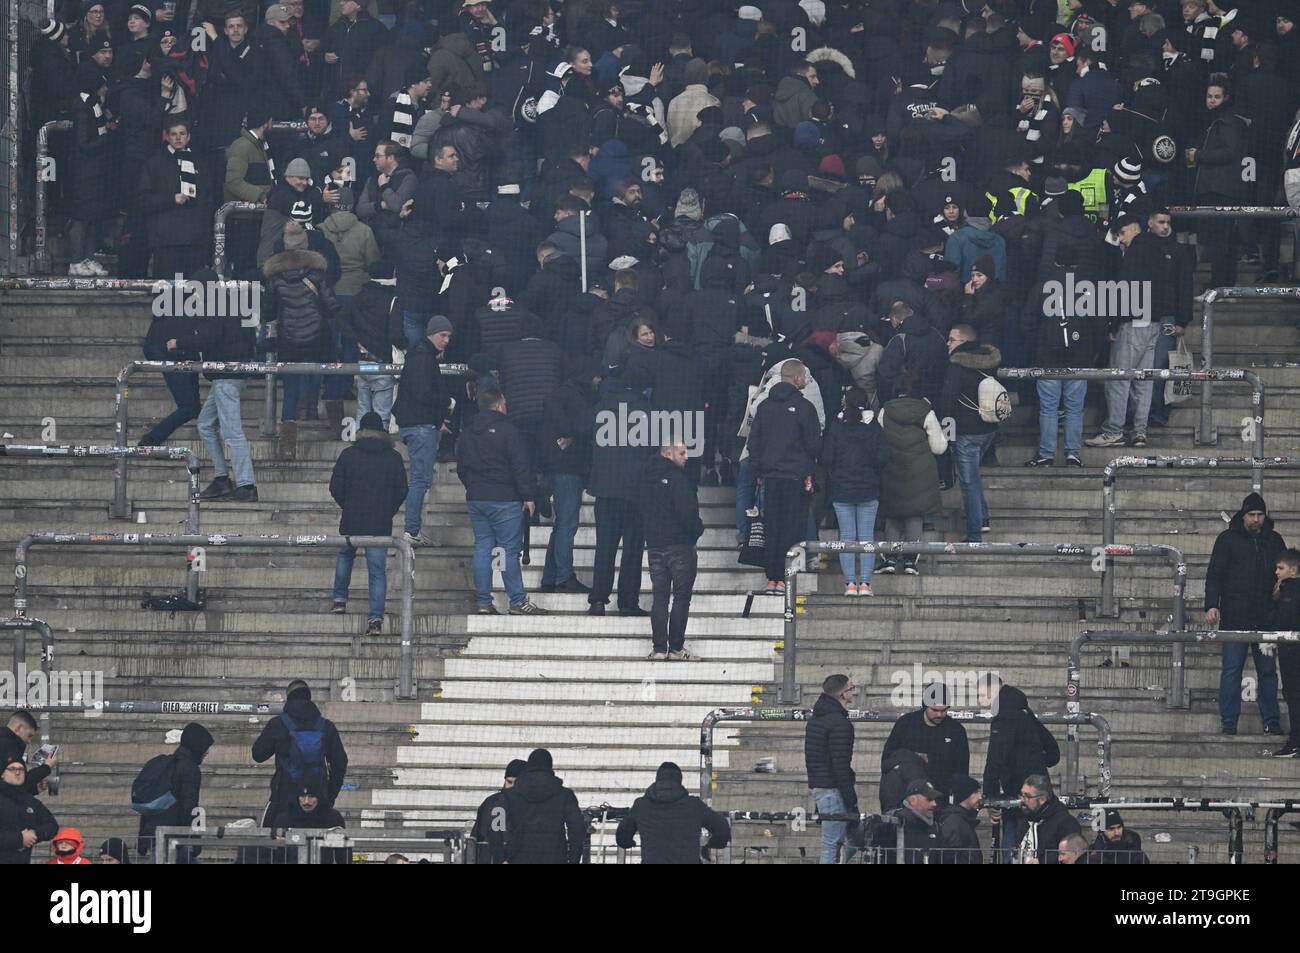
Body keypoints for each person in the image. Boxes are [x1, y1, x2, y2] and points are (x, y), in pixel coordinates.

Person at [458, 386, 547, 615]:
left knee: (483, 548)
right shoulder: (509, 430)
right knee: (507, 551)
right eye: (505, 404)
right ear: (498, 405)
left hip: (477, 498)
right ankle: (517, 601)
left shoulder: (468, 431)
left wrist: (474, 487)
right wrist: (528, 495)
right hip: (504, 499)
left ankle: (484, 602)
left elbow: (461, 467)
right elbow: (520, 465)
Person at [1206, 492, 1286, 735]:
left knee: (1268, 672)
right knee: (1231, 670)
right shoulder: (1227, 539)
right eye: (1251, 514)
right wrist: (1212, 604)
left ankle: (1272, 721)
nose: (1256, 519)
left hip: (1267, 618)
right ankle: (1229, 722)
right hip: (1234, 618)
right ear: (1243, 515)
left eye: (1260, 515)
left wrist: (1282, 587)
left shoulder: (1274, 540)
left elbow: (1285, 572)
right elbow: (1215, 575)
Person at [329, 411, 408, 634]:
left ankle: (339, 600)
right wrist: (387, 510)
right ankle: (375, 619)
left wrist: (348, 505)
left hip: (352, 518)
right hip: (379, 522)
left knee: (345, 556)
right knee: (377, 571)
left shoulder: (348, 455)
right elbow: (402, 490)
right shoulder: (393, 457)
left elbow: (335, 487)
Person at [263, 234, 339, 460]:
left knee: (290, 389)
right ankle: (312, 409)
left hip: (288, 340)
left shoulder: (274, 279)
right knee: (316, 373)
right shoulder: (317, 275)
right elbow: (331, 304)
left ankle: (288, 444)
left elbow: (268, 312)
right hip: (316, 337)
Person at [747, 359, 820, 596]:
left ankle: (772, 579)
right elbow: (813, 445)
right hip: (795, 478)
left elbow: (754, 443)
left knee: (773, 527)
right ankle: (788, 578)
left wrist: (758, 473)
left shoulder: (765, 407)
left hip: (770, 477)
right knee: (793, 528)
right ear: (797, 378)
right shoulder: (805, 407)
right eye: (804, 377)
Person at [587, 369, 651, 617]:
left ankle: (598, 600)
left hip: (605, 488)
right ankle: (627, 602)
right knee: (633, 548)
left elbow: (588, 434)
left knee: (605, 546)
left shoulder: (602, 407)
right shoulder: (647, 409)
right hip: (635, 490)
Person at [876, 368, 947, 576]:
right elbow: (939, 447)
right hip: (920, 473)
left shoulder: (885, 411)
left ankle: (889, 559)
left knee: (892, 515)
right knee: (914, 515)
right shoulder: (926, 411)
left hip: (891, 468)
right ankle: (909, 562)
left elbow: (878, 441)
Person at [539, 357, 599, 595]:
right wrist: (577, 433)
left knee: (560, 524)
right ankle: (564, 576)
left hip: (556, 466)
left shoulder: (558, 394)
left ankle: (550, 576)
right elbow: (585, 425)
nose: (599, 381)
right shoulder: (576, 397)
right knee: (567, 524)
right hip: (568, 468)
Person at [392, 315, 453, 547]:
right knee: (420, 480)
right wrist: (447, 402)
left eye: (449, 336)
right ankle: (411, 530)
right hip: (419, 427)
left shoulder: (419, 354)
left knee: (420, 479)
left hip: (416, 424)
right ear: (431, 333)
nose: (446, 340)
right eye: (443, 335)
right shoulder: (423, 357)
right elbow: (422, 394)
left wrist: (438, 422)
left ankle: (413, 529)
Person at [822, 388, 890, 597]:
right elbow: (883, 457)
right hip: (868, 489)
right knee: (867, 538)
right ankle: (866, 584)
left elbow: (827, 458)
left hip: (841, 490)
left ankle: (850, 584)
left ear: (845, 403)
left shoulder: (837, 426)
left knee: (847, 538)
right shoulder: (874, 428)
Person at [251, 680, 348, 822]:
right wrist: (328, 796)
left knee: (274, 839)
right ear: (309, 698)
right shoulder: (326, 727)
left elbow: (258, 755)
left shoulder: (278, 724)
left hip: (283, 800)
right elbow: (340, 764)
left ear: (288, 698)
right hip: (317, 804)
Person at [641, 441, 704, 660]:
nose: (687, 457)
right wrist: (697, 530)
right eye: (682, 452)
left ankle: (659, 648)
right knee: (681, 598)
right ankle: (676, 648)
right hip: (680, 546)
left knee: (660, 597)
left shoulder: (646, 480)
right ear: (668, 454)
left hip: (655, 546)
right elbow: (687, 514)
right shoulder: (679, 480)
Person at [941, 323, 1002, 543]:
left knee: (968, 483)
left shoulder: (957, 366)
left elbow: (948, 400)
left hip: (965, 432)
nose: (947, 344)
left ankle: (975, 534)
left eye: (951, 339)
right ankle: (983, 517)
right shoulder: (989, 362)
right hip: (988, 429)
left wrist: (947, 433)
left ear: (963, 342)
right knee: (974, 477)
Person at [138, 119, 212, 279]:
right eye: (174, 134)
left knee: (193, 295)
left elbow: (207, 200)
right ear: (167, 137)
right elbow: (143, 201)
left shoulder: (200, 163)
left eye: (182, 134)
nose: (178, 138)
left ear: (189, 137)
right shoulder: (154, 164)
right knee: (168, 295)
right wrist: (171, 199)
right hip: (166, 241)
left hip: (194, 241)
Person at [615, 761, 731, 863]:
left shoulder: (641, 806)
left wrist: (630, 843)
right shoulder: (693, 805)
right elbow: (722, 827)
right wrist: (712, 844)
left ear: (657, 779)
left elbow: (622, 836)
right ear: (679, 781)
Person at [136, 722, 212, 863]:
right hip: (173, 836)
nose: (207, 752)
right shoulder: (190, 769)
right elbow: (190, 807)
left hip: (155, 835)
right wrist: (195, 841)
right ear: (197, 746)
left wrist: (142, 838)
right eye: (205, 748)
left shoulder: (164, 766)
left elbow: (147, 805)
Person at [805, 673, 860, 864]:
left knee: (845, 840)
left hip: (820, 788)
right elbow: (840, 765)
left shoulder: (815, 719)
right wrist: (851, 799)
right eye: (851, 688)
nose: (853, 692)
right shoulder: (840, 723)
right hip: (833, 790)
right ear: (843, 694)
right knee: (832, 844)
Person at [979, 673, 1060, 802]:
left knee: (1016, 819)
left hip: (1019, 790)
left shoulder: (1004, 717)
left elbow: (995, 759)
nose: (980, 701)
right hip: (1039, 785)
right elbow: (1052, 751)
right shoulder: (1023, 710)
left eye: (983, 695)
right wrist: (1036, 761)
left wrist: (990, 797)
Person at [881, 684, 970, 800]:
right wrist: (912, 757)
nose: (939, 714)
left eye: (944, 710)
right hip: (907, 795)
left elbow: (962, 770)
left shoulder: (956, 730)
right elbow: (888, 759)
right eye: (934, 710)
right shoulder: (906, 724)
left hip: (941, 796)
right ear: (925, 706)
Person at [501, 748, 584, 864]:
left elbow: (498, 827)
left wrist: (503, 856)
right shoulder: (565, 795)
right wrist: (573, 860)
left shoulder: (510, 795)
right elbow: (577, 829)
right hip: (555, 858)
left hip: (518, 858)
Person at [1000, 773, 1081, 864]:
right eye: (1021, 795)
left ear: (1042, 799)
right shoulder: (1023, 816)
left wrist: (1041, 861)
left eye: (1027, 796)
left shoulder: (1066, 822)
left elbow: (1070, 855)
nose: (1022, 800)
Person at [270, 780, 349, 863]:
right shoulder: (284, 819)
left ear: (319, 797)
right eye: (303, 796)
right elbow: (276, 853)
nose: (306, 801)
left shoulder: (334, 818)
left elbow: (343, 853)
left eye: (311, 796)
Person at [1268, 548, 1300, 758]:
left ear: (1293, 569)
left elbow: (1284, 620)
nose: (1277, 572)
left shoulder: (1290, 589)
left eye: (1281, 568)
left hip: (1292, 651)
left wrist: (1276, 599)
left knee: (1293, 695)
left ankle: (1296, 742)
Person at [0, 756, 58, 864]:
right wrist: (19, 839)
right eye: (12, 769)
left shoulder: (30, 801)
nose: (17, 772)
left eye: (21, 769)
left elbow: (52, 826)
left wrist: (34, 833)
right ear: (2, 774)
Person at [872, 779, 942, 864]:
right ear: (913, 800)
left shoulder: (936, 827)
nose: (934, 804)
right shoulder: (894, 821)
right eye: (929, 799)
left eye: (934, 799)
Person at [470, 758, 526, 864]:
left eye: (517, 783)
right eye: (509, 782)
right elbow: (476, 837)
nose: (512, 787)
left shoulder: (530, 806)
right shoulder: (490, 803)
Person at [0, 711, 55, 795]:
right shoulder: (9, 746)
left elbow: (12, 788)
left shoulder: (6, 743)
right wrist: (46, 767)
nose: (29, 741)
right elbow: (20, 782)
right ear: (18, 728)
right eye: (29, 736)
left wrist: (35, 789)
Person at [937, 775, 983, 864]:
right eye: (976, 792)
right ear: (966, 794)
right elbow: (950, 855)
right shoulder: (955, 821)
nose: (980, 797)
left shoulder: (962, 819)